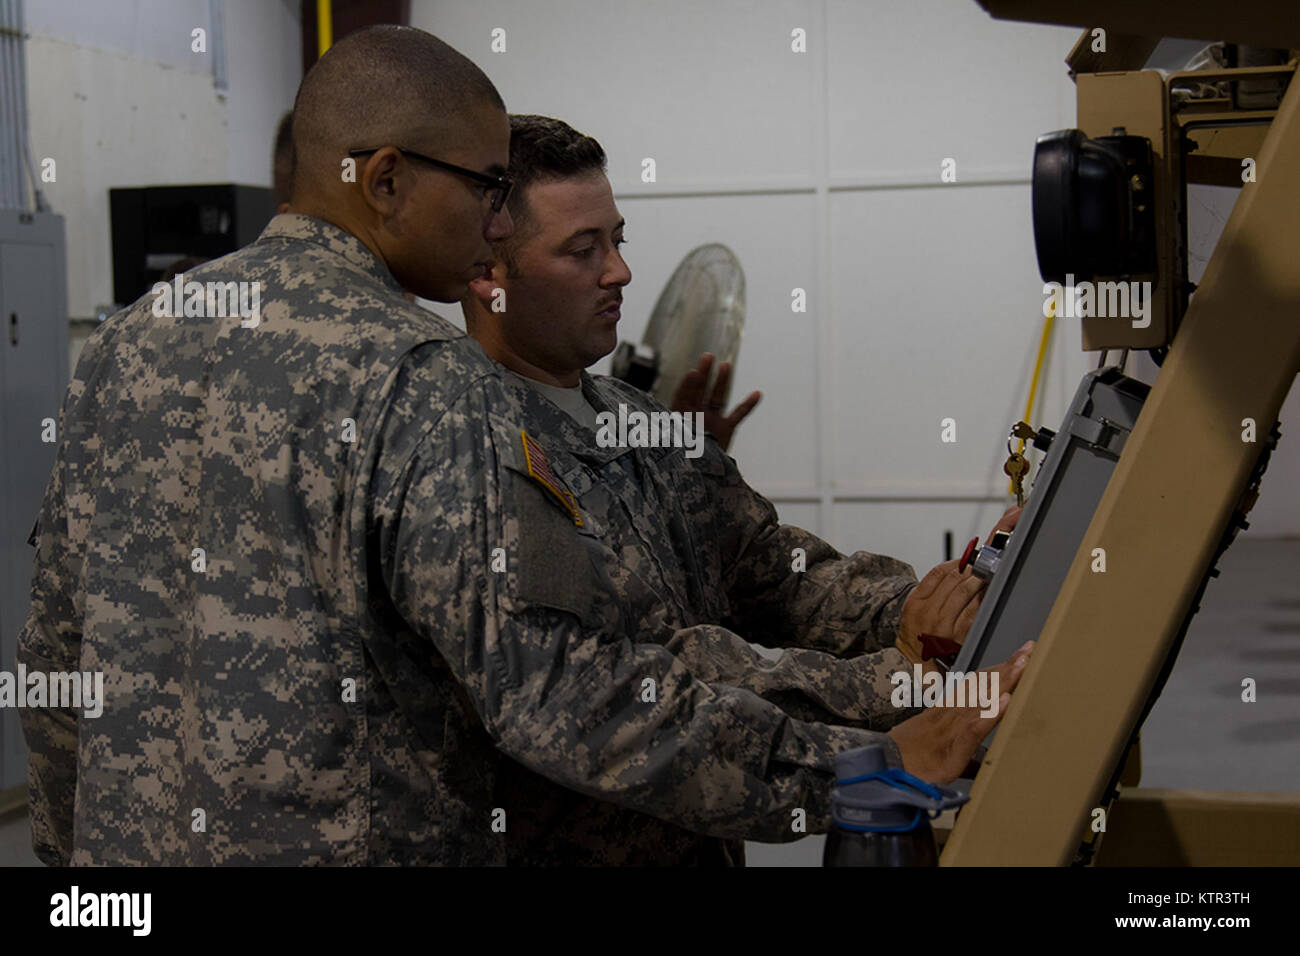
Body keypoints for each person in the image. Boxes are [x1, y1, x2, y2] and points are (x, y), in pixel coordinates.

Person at [432, 113, 1033, 864]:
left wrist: (910, 606)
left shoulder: (636, 420)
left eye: (618, 240)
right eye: (582, 250)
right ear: (488, 276)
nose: (618, 272)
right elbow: (659, 680)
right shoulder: (466, 454)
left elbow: (771, 569)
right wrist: (899, 686)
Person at [19, 25, 514, 865]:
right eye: (490, 187)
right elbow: (522, 678)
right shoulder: (426, 373)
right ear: (386, 180)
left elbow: (55, 650)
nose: (499, 223)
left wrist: (77, 859)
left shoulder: (128, 339)